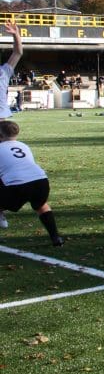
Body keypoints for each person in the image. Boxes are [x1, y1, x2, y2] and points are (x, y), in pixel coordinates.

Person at [0, 120, 64, 246]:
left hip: (17, 184)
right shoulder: (23, 146)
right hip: (41, 180)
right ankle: (56, 238)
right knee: (42, 206)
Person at [0, 21, 25, 231]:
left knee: (4, 169)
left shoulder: (4, 71)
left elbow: (18, 52)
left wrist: (16, 35)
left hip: (2, 124)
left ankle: (0, 210)